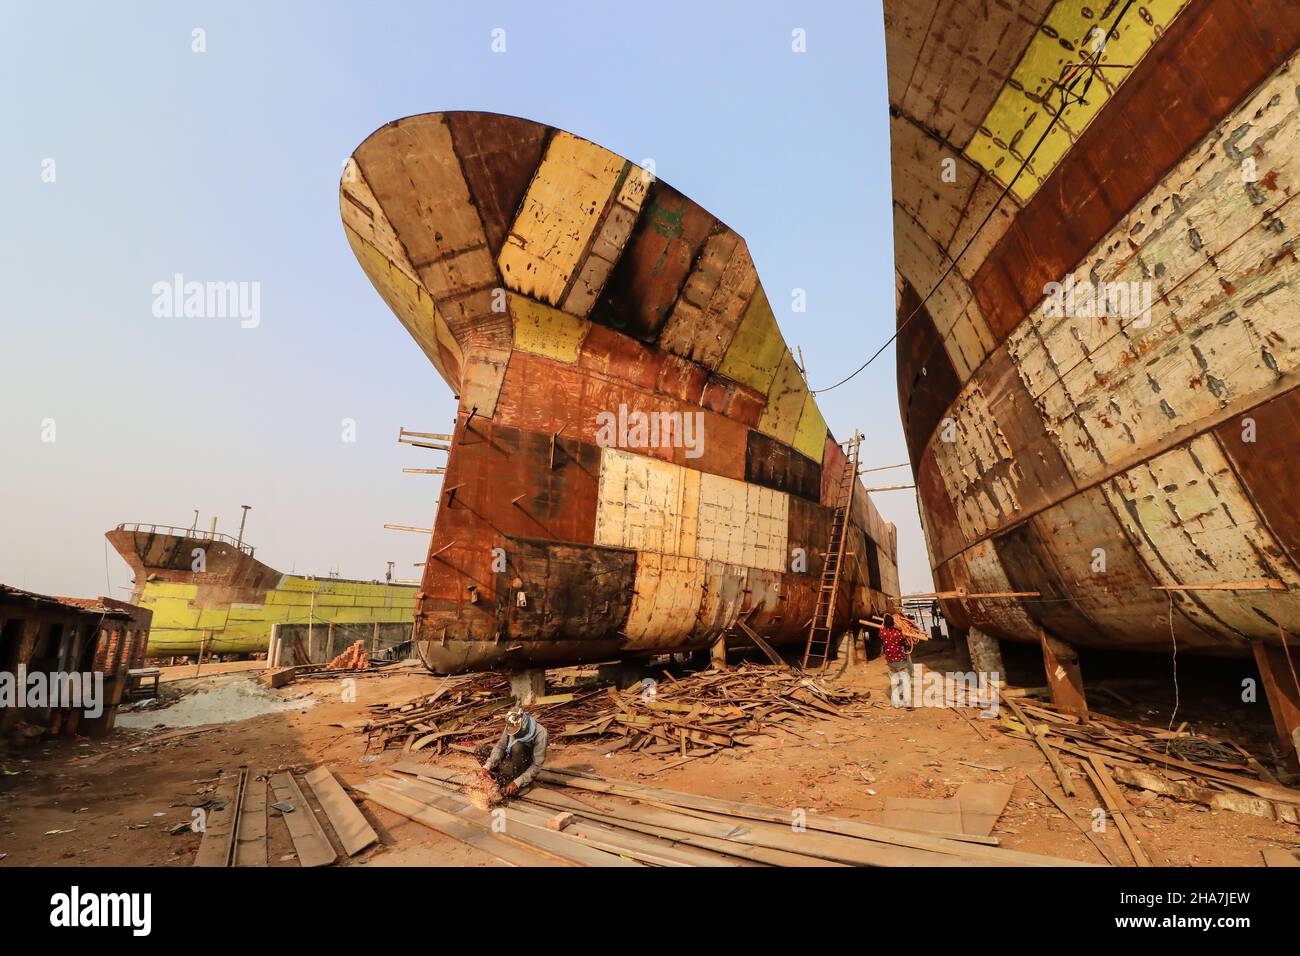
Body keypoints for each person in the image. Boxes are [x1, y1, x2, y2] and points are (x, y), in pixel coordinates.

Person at [482, 706, 548, 796]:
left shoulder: (541, 733)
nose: (515, 734)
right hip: (510, 761)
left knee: (517, 746)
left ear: (523, 723)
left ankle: (519, 784)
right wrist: (487, 766)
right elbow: (501, 746)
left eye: (517, 731)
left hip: (523, 767)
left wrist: (517, 782)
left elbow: (536, 765)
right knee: (481, 750)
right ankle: (496, 780)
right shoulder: (511, 724)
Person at [880, 613, 914, 709]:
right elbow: (903, 642)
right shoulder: (898, 634)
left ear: (885, 624)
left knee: (894, 681)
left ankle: (896, 703)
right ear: (893, 623)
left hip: (890, 662)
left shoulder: (882, 633)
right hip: (901, 661)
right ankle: (907, 702)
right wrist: (899, 628)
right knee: (906, 681)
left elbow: (882, 629)